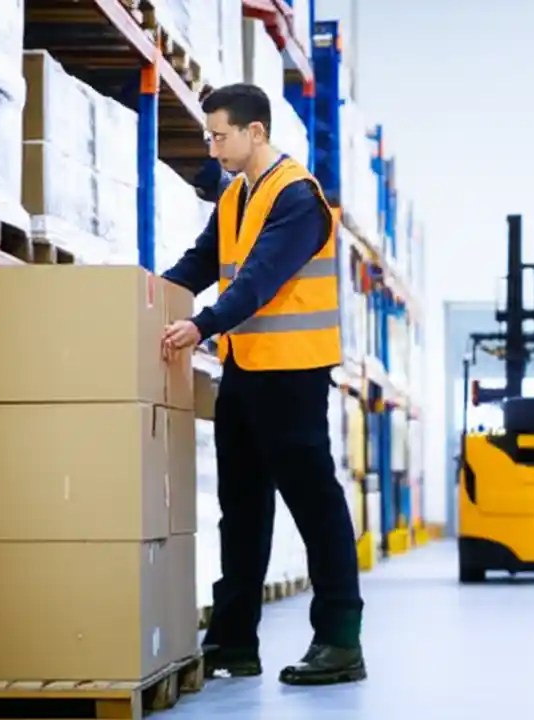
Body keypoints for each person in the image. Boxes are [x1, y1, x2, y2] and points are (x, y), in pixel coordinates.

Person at [159, 83, 366, 686]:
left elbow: (258, 281)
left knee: (314, 505)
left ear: (256, 132)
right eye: (208, 135)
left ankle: (339, 640)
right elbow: (202, 263)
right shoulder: (236, 197)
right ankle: (232, 641)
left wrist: (201, 323)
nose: (212, 145)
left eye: (219, 135)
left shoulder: (298, 198)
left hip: (293, 375)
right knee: (241, 508)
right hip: (246, 371)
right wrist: (146, 295)